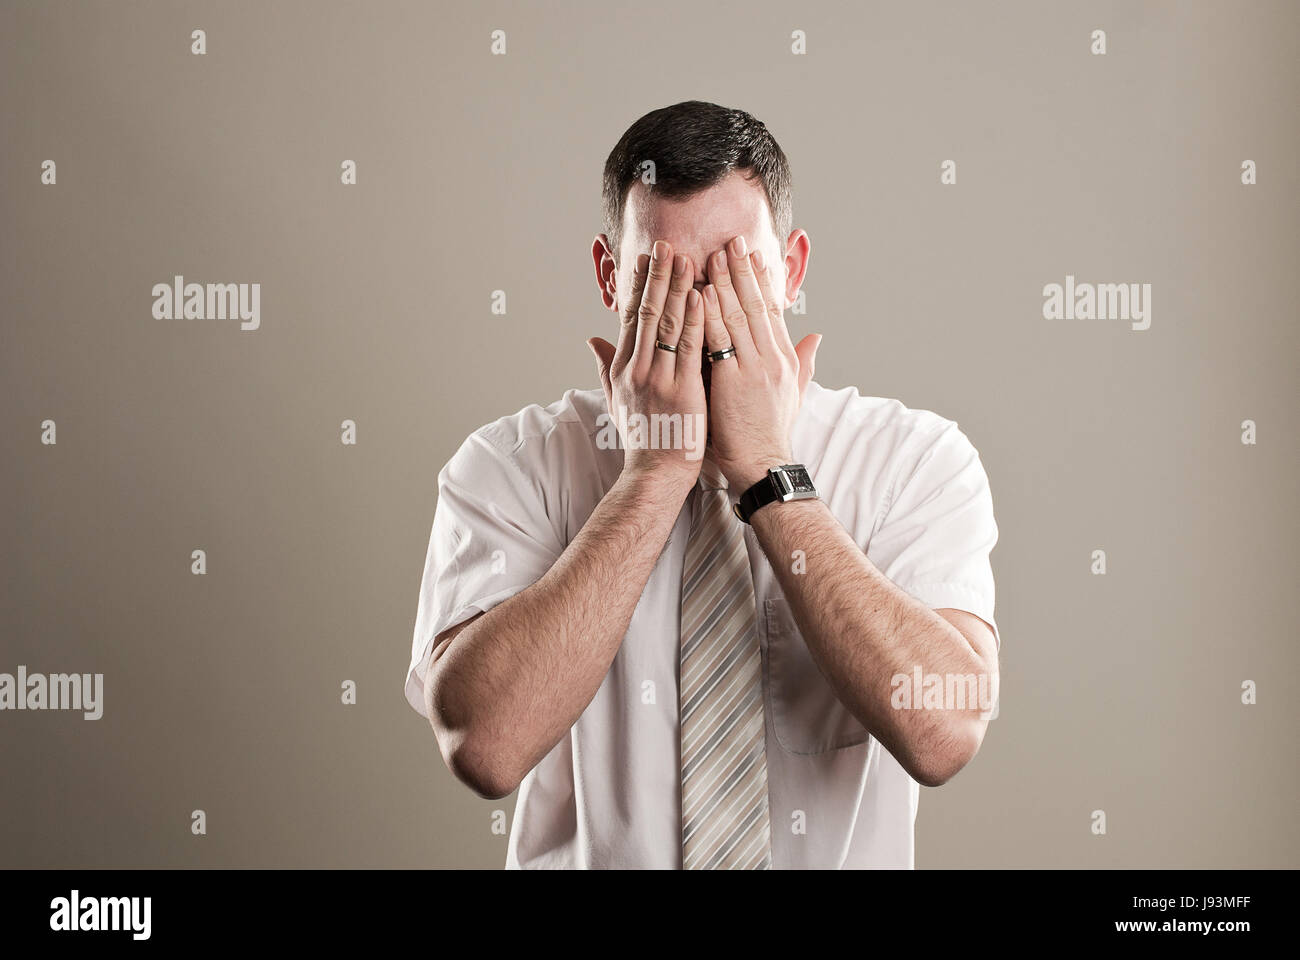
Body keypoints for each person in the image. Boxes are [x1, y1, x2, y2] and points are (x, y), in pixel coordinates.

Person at [405, 101, 1000, 869]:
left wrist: (767, 474)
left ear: (790, 271)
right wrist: (655, 473)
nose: (698, 311)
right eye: (663, 275)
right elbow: (483, 747)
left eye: (732, 270)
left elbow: (947, 733)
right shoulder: (511, 465)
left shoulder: (912, 460)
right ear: (611, 277)